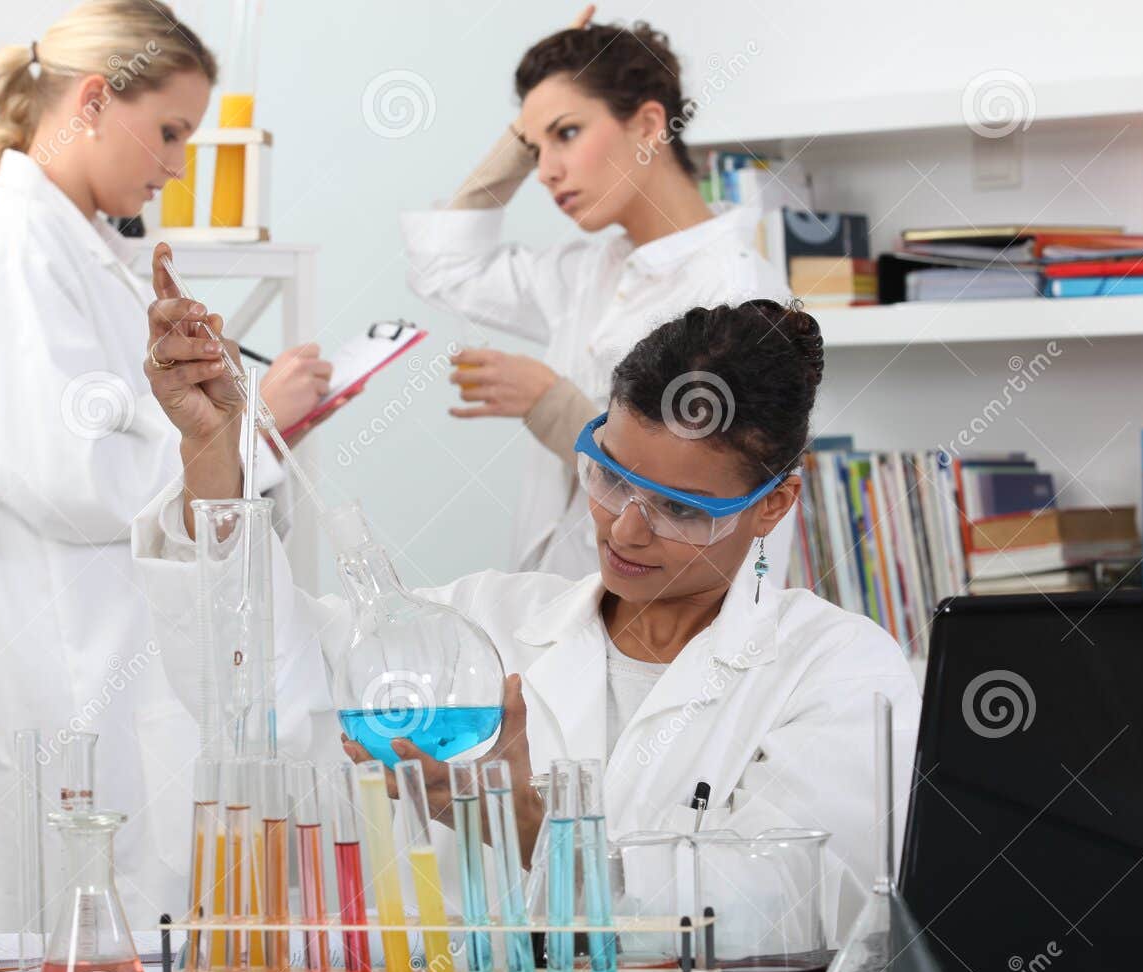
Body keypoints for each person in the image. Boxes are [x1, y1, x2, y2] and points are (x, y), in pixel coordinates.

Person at [135, 294, 917, 937]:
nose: (625, 528)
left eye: (680, 507)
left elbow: (784, 913)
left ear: (775, 503)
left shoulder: (839, 672)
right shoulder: (484, 622)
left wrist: (532, 825)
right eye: (609, 477)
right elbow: (263, 691)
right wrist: (213, 456)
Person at [0, 0, 331, 932]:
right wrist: (243, 434)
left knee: (130, 934)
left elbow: (122, 430)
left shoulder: (83, 244)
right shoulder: (21, 243)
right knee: (76, 951)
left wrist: (236, 425)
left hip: (113, 650)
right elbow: (61, 473)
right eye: (168, 132)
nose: (176, 164)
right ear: (92, 101)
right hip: (68, 661)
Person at [401, 10, 796, 589]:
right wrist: (526, 130)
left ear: (648, 124)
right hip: (557, 616)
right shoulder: (591, 271)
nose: (543, 172)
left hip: (664, 634)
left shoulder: (740, 296)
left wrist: (553, 405)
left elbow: (705, 493)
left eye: (566, 133)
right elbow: (444, 265)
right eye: (533, 150)